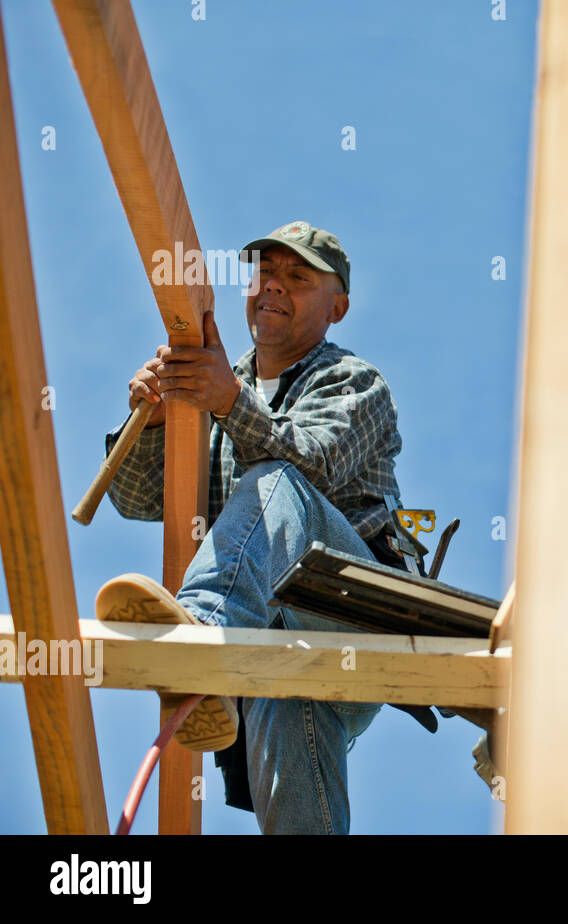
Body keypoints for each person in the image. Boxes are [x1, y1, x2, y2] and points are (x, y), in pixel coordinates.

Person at [98, 221, 413, 833]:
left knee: (277, 482)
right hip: (276, 631)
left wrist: (226, 400)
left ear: (337, 307)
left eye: (297, 277)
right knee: (289, 706)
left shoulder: (352, 382)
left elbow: (311, 463)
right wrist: (158, 422)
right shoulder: (219, 387)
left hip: (349, 609)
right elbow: (134, 499)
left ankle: (204, 636)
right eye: (265, 272)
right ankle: (214, 649)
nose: (273, 286)